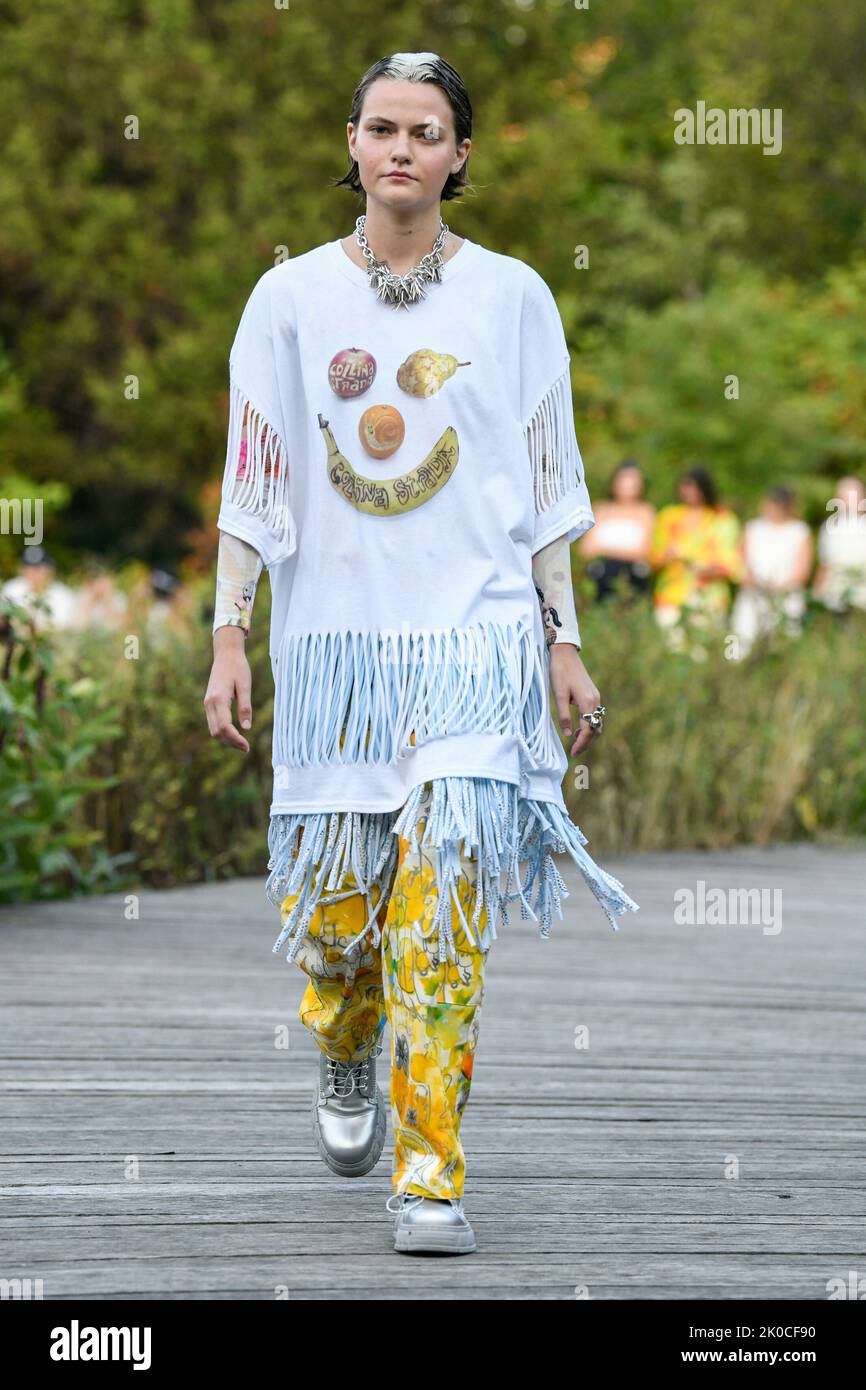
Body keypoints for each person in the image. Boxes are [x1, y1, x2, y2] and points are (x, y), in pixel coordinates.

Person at [202, 52, 639, 1257]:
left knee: (441, 902)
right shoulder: (285, 298)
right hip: (338, 654)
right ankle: (345, 1052)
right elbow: (255, 477)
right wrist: (229, 631)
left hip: (473, 639)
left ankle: (429, 1170)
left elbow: (549, 487)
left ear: (459, 156)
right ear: (349, 143)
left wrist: (564, 641)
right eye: (382, 127)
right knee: (340, 925)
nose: (402, 148)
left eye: (427, 131)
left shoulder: (512, 297)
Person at [649, 467, 744, 646]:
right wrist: (668, 557)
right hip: (671, 596)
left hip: (709, 599)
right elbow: (653, 560)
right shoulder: (668, 517)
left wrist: (704, 568)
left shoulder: (722, 519)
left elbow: (732, 564)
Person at [729, 486, 813, 654]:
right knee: (741, 642)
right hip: (752, 595)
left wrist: (779, 586)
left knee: (782, 645)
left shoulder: (799, 531)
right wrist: (749, 579)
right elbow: (738, 561)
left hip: (786, 597)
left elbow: (803, 570)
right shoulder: (753, 528)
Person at [577, 458, 654, 601]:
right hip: (601, 576)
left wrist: (604, 549)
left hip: (633, 577)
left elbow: (645, 551)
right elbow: (586, 549)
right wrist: (625, 552)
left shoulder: (645, 511)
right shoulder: (601, 509)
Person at [812, 475, 866, 614]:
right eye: (844, 497)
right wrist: (816, 593)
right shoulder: (830, 527)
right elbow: (825, 564)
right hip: (835, 599)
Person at [1, 545, 80, 632]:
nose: (32, 573)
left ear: (50, 570)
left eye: (37, 569)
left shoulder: (62, 595)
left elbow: (64, 626)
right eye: (28, 568)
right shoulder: (12, 589)